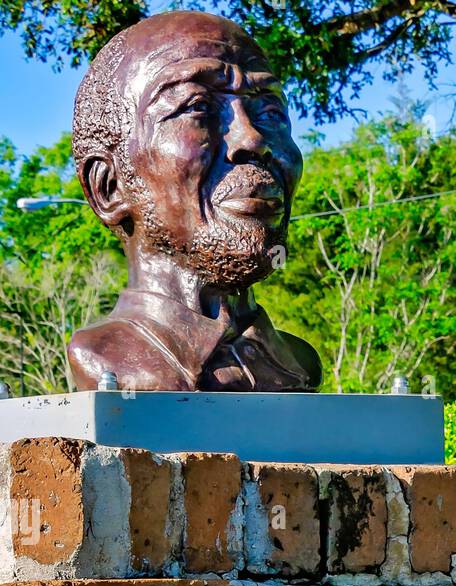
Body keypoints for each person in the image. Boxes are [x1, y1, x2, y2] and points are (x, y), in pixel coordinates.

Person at [68, 10, 322, 393]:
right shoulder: (104, 360)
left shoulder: (300, 365)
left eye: (269, 111)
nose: (253, 140)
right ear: (109, 187)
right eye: (197, 107)